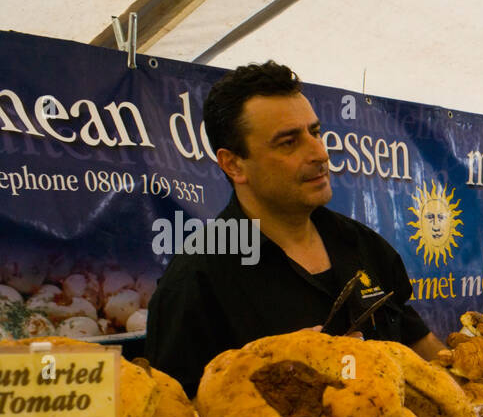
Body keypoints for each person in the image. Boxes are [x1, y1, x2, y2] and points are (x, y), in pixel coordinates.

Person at [145, 61, 443, 396]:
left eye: (315, 132)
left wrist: (468, 392)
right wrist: (278, 377)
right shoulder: (196, 281)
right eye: (288, 142)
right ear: (233, 164)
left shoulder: (364, 246)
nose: (319, 153)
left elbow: (417, 340)